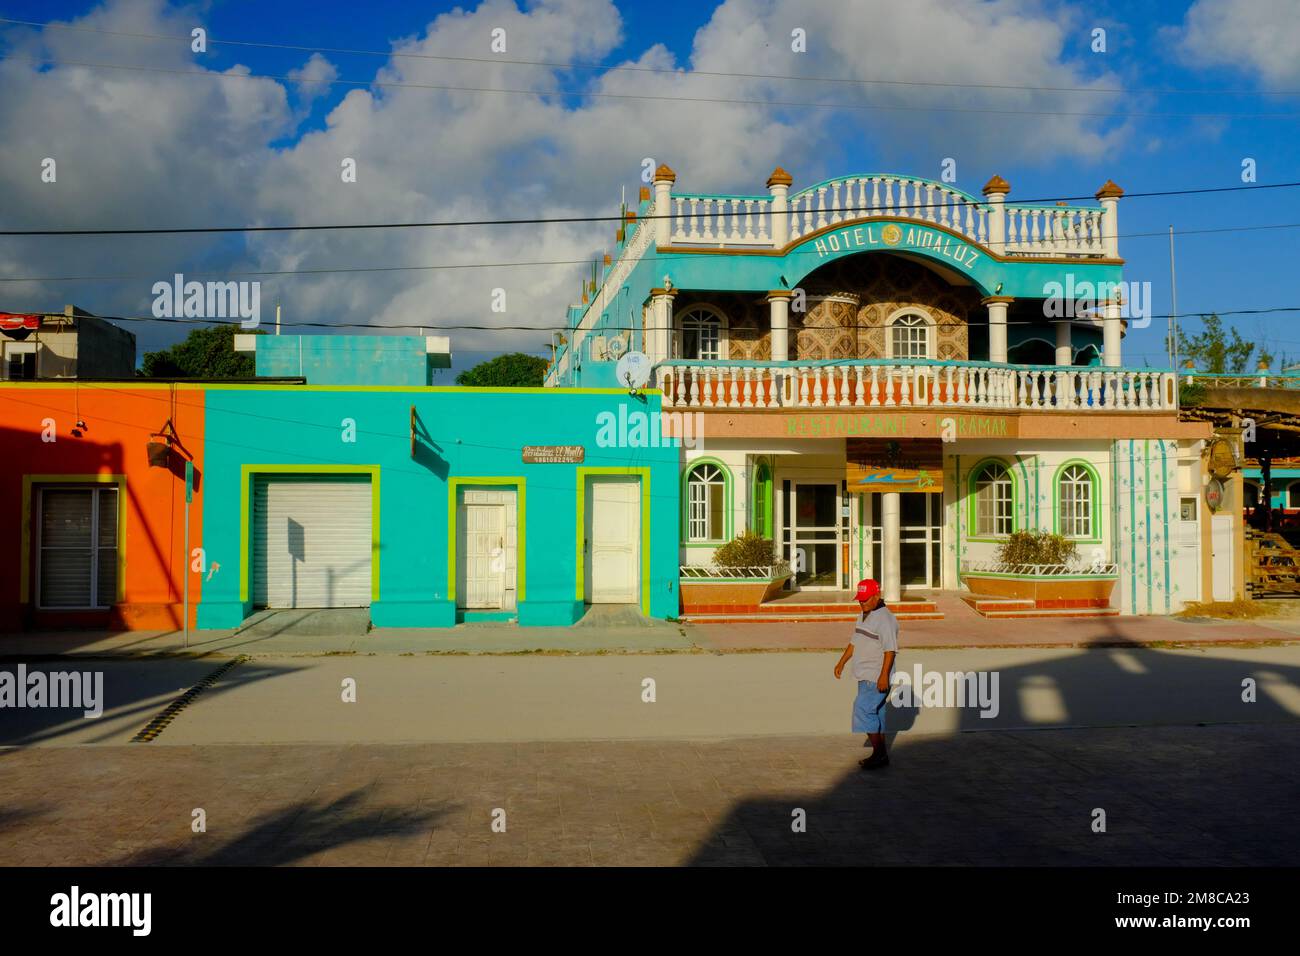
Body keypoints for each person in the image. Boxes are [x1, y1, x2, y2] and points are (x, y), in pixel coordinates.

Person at [833, 578, 899, 770]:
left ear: (877, 596)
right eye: (860, 600)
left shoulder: (886, 619)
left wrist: (883, 675)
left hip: (876, 676)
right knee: (876, 713)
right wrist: (842, 661)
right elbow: (855, 641)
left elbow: (890, 650)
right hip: (864, 675)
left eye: (865, 599)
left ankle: (878, 753)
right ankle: (881, 755)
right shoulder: (863, 615)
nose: (862, 603)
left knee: (862, 710)